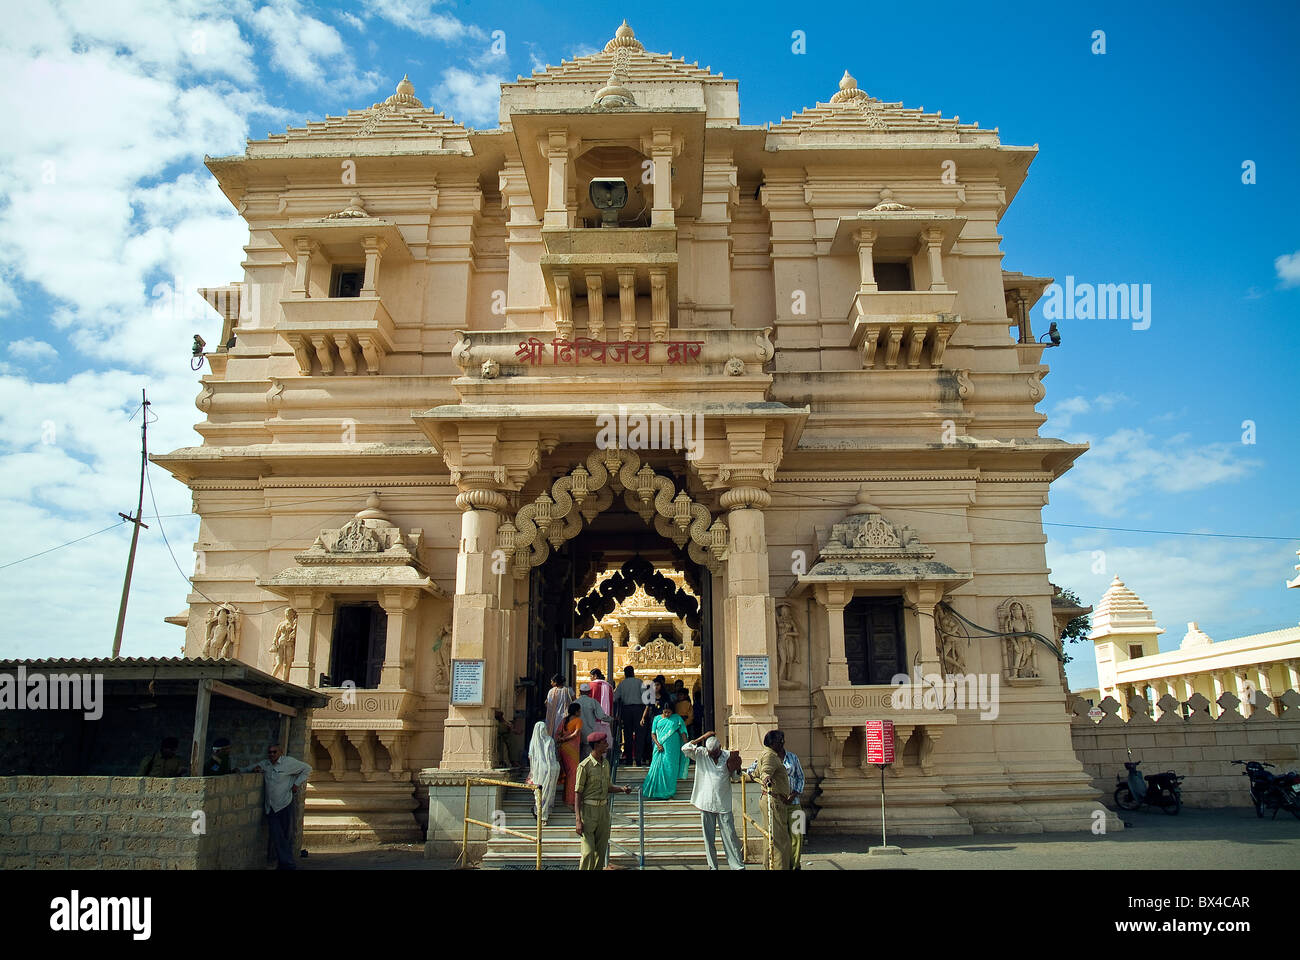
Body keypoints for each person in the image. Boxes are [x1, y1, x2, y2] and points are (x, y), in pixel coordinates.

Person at [681, 731, 744, 870]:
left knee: (730, 837)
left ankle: (737, 866)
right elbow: (685, 748)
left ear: (720, 748)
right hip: (706, 803)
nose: (712, 755)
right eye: (710, 753)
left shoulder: (728, 755)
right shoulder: (702, 753)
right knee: (709, 839)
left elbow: (735, 777)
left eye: (714, 753)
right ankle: (712, 866)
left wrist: (737, 768)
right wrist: (702, 737)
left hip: (723, 804)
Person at [243, 742, 311, 870]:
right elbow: (250, 768)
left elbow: (307, 769)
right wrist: (241, 770)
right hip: (271, 806)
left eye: (274, 752)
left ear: (280, 753)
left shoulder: (288, 763)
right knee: (276, 835)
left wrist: (296, 784)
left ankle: (286, 863)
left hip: (284, 804)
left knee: (285, 835)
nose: (272, 754)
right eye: (270, 752)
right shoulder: (266, 764)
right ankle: (285, 862)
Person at [574, 731, 632, 870]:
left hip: (603, 811)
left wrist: (622, 789)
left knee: (601, 850)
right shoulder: (584, 766)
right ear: (596, 745)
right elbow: (578, 792)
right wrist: (577, 819)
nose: (607, 745)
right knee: (588, 852)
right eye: (604, 743)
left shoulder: (605, 763)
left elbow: (608, 787)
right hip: (588, 812)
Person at [747, 730, 794, 870]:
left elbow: (755, 773)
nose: (783, 743)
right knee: (780, 841)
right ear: (774, 743)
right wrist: (766, 778)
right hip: (774, 801)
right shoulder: (770, 756)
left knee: (770, 838)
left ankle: (769, 866)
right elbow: (766, 771)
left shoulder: (765, 753)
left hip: (769, 799)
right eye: (781, 740)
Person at [642, 702, 688, 800]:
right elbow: (653, 734)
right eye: (665, 712)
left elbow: (683, 731)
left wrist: (686, 744)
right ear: (662, 711)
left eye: (669, 712)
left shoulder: (677, 718)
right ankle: (655, 793)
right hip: (659, 748)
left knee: (671, 769)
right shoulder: (657, 719)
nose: (667, 714)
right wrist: (658, 745)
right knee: (657, 768)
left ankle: (669, 793)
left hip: (673, 748)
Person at [526, 720, 560, 824]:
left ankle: (541, 815)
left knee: (539, 793)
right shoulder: (550, 740)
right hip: (550, 770)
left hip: (539, 771)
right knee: (547, 792)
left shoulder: (534, 742)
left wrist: (531, 772)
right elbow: (552, 756)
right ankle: (543, 815)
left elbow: (530, 757)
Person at [612, 666, 644, 764]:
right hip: (638, 709)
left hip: (626, 710)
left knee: (627, 735)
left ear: (625, 674)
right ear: (633, 672)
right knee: (639, 735)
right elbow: (645, 697)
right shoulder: (639, 682)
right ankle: (639, 758)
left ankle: (629, 759)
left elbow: (614, 698)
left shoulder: (622, 684)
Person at [556, 702, 584, 808]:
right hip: (572, 750)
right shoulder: (578, 721)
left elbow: (557, 733)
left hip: (563, 749)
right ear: (576, 712)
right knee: (573, 774)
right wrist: (565, 739)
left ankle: (566, 798)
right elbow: (575, 734)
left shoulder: (564, 720)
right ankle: (570, 801)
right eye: (579, 710)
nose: (580, 712)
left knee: (569, 774)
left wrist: (561, 739)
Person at [576, 682, 613, 762]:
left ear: (580, 691)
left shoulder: (575, 702)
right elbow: (601, 716)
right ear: (589, 692)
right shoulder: (593, 702)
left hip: (577, 733)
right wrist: (611, 719)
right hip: (589, 732)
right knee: (589, 757)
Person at [638, 675, 668, 765]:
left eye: (658, 685)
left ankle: (663, 759)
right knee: (652, 739)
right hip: (653, 721)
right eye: (654, 685)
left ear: (661, 686)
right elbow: (647, 708)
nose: (656, 687)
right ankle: (654, 759)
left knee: (663, 739)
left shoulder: (665, 697)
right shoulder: (650, 696)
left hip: (664, 721)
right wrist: (643, 718)